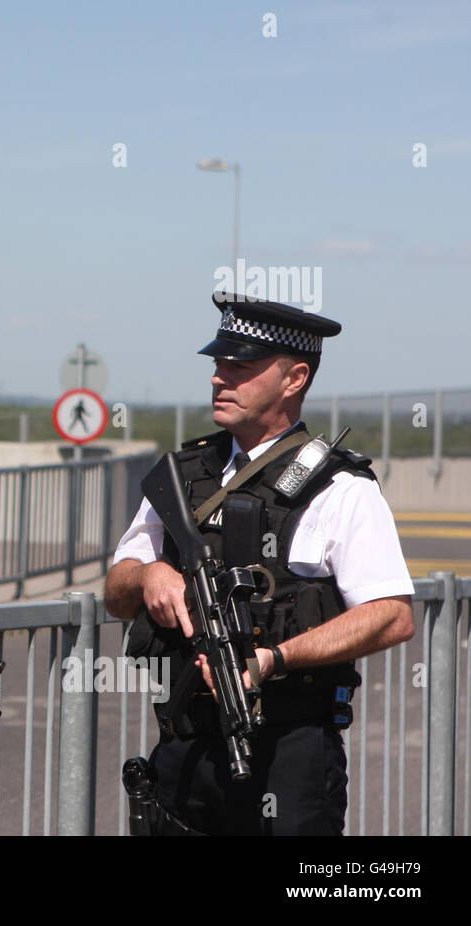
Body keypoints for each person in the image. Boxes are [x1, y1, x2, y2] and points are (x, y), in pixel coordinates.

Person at [104, 291, 414, 835]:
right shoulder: (183, 474)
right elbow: (116, 591)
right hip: (186, 744)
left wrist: (275, 658)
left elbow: (392, 613)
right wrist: (151, 572)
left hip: (287, 750)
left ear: (294, 379)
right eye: (219, 363)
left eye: (240, 366)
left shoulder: (339, 489)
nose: (219, 378)